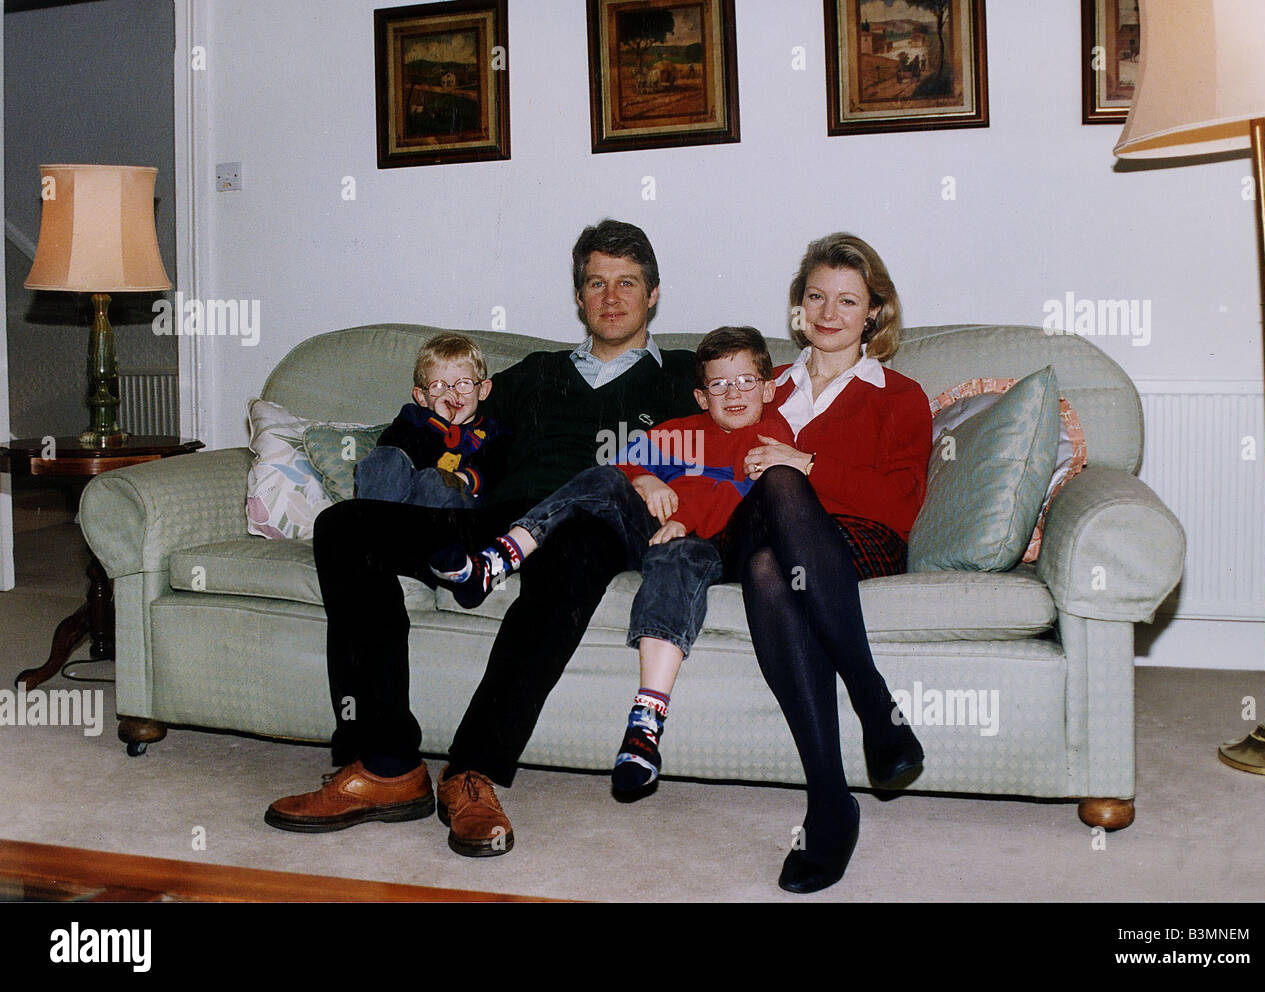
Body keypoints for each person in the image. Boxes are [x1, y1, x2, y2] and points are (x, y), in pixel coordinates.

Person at [264, 219, 700, 856]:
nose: (611, 297)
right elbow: (444, 429)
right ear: (578, 297)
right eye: (596, 283)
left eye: (627, 283)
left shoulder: (684, 377)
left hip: (599, 526)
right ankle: (388, 765)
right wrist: (399, 449)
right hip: (500, 519)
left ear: (654, 294)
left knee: (576, 545)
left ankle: (472, 771)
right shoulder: (532, 374)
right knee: (344, 528)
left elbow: (743, 429)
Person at [431, 327, 793, 795]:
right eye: (720, 385)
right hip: (649, 526)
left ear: (768, 387)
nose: (734, 394)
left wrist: (686, 520)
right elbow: (624, 464)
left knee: (676, 560)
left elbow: (742, 492)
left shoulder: (773, 434)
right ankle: (500, 558)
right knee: (600, 476)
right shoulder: (683, 430)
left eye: (746, 382)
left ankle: (645, 728)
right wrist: (646, 482)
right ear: (702, 397)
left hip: (711, 544)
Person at [719, 232, 932, 894]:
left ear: (875, 312)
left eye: (848, 299)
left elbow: (898, 503)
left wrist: (806, 465)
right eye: (816, 296)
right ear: (797, 307)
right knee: (773, 495)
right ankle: (875, 705)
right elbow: (716, 469)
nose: (829, 312)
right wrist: (767, 467)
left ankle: (829, 803)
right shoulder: (761, 387)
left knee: (767, 570)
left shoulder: (899, 396)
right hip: (750, 523)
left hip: (853, 543)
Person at [354, 332, 505, 508]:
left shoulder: (491, 430)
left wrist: (464, 479)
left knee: (434, 481)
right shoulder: (413, 418)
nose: (452, 393)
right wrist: (439, 421)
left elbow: (498, 465)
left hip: (451, 511)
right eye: (439, 386)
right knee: (385, 457)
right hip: (401, 504)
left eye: (463, 383)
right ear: (421, 397)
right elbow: (390, 453)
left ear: (483, 390)